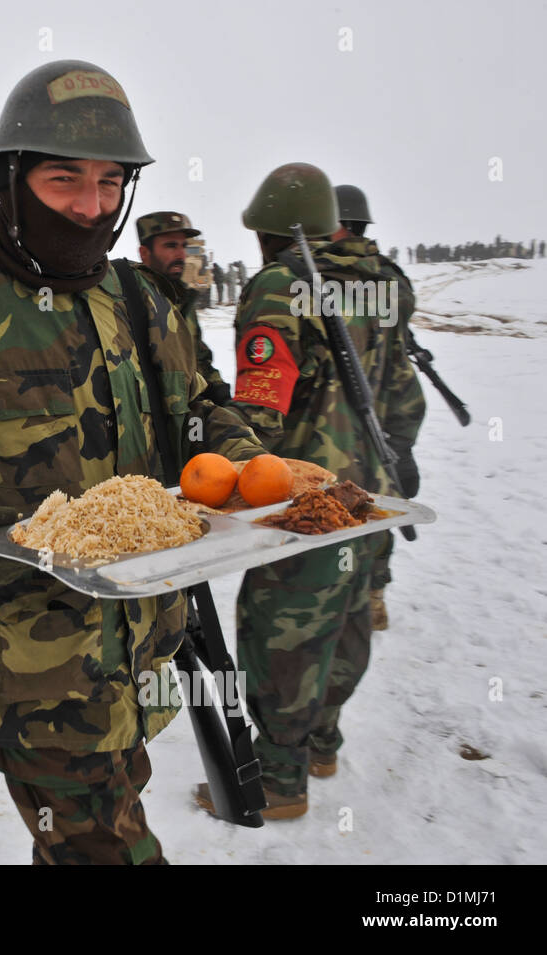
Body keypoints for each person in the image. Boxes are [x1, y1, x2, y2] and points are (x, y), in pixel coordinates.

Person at [0, 60, 266, 864]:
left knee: (95, 825)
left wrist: (239, 455)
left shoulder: (142, 300)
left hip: (147, 647)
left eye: (111, 183)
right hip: (33, 667)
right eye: (64, 178)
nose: (91, 206)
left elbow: (204, 405)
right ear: (11, 180)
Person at [196, 164, 421, 819]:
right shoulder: (382, 284)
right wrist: (392, 460)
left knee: (281, 631)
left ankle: (278, 779)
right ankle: (322, 740)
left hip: (305, 503)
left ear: (268, 233)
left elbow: (260, 412)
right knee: (349, 617)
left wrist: (217, 461)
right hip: (369, 497)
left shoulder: (281, 284)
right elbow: (402, 396)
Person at [333, 183, 426, 631]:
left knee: (336, 515)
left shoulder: (324, 278)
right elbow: (400, 366)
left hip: (337, 432)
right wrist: (403, 441)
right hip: (387, 421)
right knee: (377, 508)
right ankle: (374, 595)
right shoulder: (390, 277)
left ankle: (347, 603)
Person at [134, 212, 230, 404]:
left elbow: (199, 358)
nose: (181, 255)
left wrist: (218, 390)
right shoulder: (131, 301)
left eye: (184, 246)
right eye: (170, 246)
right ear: (145, 253)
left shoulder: (182, 300)